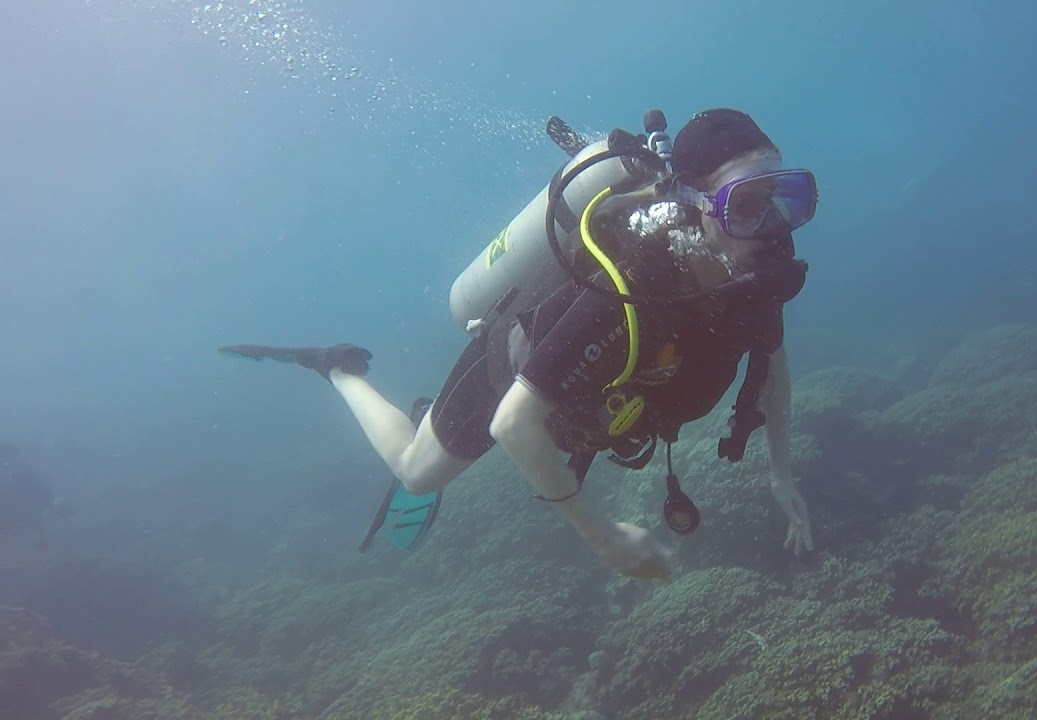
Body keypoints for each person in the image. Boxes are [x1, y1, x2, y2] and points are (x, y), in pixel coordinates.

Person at [222, 108, 817, 579]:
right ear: (691, 207)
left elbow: (772, 359)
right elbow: (512, 423)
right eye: (746, 205)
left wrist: (781, 473)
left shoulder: (750, 273)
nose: (772, 229)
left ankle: (421, 410)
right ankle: (336, 367)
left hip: (581, 405)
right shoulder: (632, 284)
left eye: (785, 198)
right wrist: (603, 536)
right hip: (507, 371)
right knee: (415, 473)